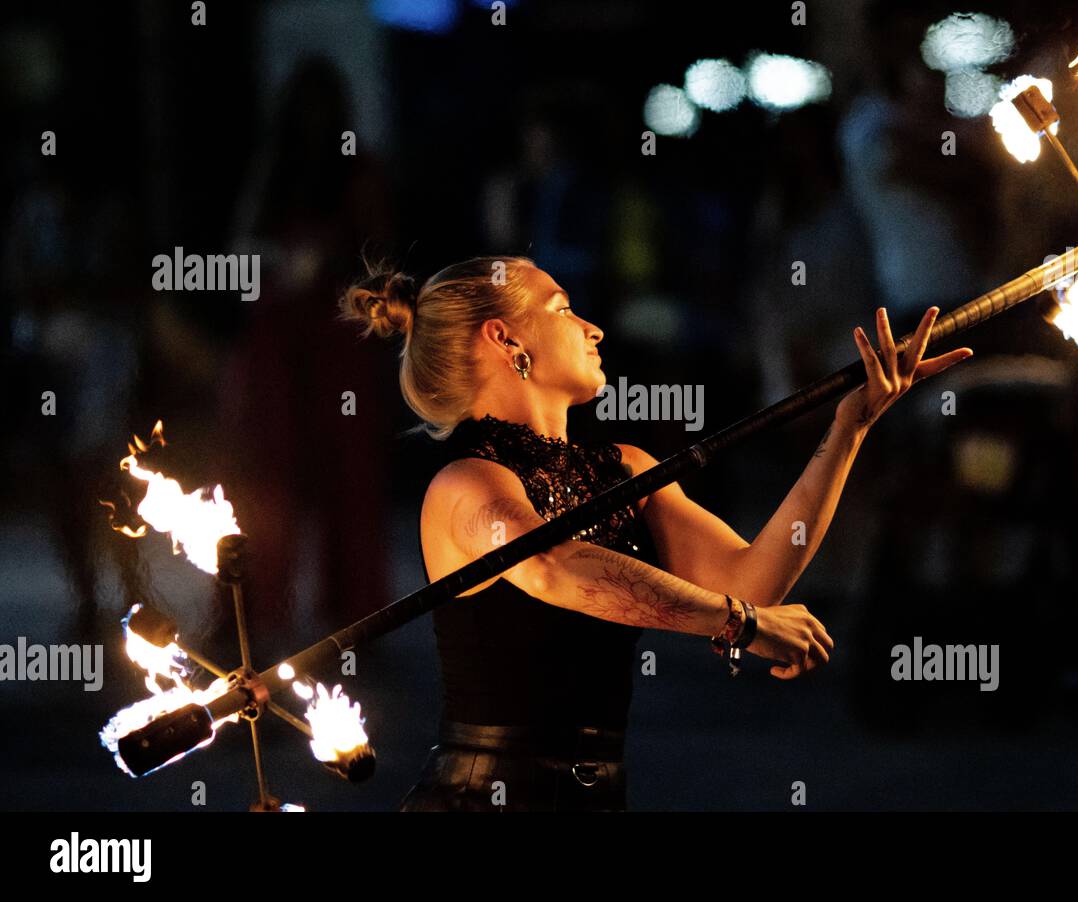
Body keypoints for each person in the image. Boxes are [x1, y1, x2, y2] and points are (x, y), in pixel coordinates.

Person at [338, 255, 971, 811]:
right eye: (563, 309)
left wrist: (849, 430)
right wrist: (737, 624)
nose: (595, 328)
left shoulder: (627, 469)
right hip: (482, 798)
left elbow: (752, 581)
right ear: (506, 340)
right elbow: (554, 566)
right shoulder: (467, 484)